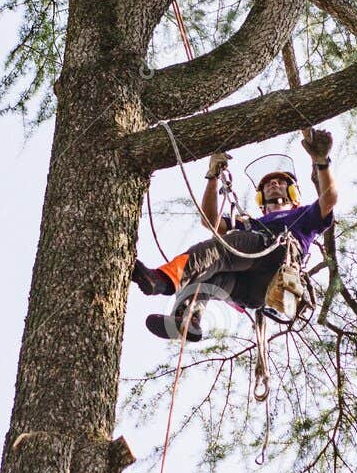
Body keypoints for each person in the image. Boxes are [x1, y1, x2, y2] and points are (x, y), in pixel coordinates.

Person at [132, 129, 337, 341]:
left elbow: (328, 198)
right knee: (206, 276)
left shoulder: (303, 214)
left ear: (293, 193)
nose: (273, 184)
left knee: (220, 248)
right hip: (253, 290)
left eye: (281, 182)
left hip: (278, 258)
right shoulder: (250, 223)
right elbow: (210, 221)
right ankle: (186, 319)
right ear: (260, 196)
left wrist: (321, 161)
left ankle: (164, 279)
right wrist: (212, 177)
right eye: (267, 184)